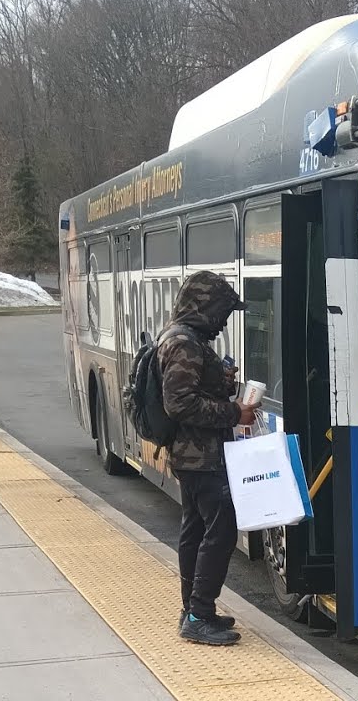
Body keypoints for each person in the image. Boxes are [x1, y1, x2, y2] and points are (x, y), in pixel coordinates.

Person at [157, 270, 259, 645]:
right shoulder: (185, 343)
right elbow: (179, 404)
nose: (223, 322)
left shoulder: (182, 338)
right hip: (200, 457)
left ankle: (195, 609)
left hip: (192, 457)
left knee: (196, 531)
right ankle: (198, 615)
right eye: (222, 312)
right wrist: (234, 413)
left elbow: (190, 391)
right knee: (221, 531)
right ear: (205, 307)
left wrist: (221, 381)